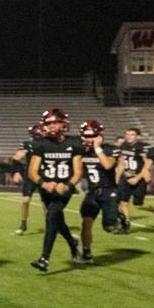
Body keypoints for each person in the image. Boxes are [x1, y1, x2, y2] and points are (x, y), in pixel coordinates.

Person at [28, 108, 83, 271]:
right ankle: (72, 242)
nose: (51, 126)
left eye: (54, 122)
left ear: (63, 124)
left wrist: (67, 186)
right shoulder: (40, 143)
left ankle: (44, 258)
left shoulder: (74, 143)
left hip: (64, 188)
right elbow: (32, 171)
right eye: (48, 123)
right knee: (55, 220)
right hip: (46, 188)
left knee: (52, 215)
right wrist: (45, 184)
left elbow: (78, 171)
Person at [76, 119, 119, 264]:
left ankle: (119, 218)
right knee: (86, 222)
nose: (89, 139)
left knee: (109, 227)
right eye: (86, 136)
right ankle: (86, 253)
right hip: (92, 191)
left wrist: (97, 148)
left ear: (99, 136)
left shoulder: (110, 149)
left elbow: (107, 165)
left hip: (109, 191)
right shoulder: (81, 152)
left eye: (92, 136)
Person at [115, 127, 149, 231]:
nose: (129, 136)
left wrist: (137, 178)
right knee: (122, 202)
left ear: (138, 137)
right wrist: (116, 180)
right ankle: (126, 224)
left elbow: (147, 164)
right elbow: (121, 164)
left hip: (139, 178)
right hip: (126, 177)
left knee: (138, 205)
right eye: (127, 134)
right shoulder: (123, 146)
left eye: (132, 134)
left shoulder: (142, 147)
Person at [11, 123, 43, 235]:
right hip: (30, 175)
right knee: (25, 201)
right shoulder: (28, 145)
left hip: (45, 175)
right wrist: (16, 172)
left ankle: (51, 225)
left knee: (46, 204)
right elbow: (16, 158)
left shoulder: (49, 144)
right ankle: (23, 223)